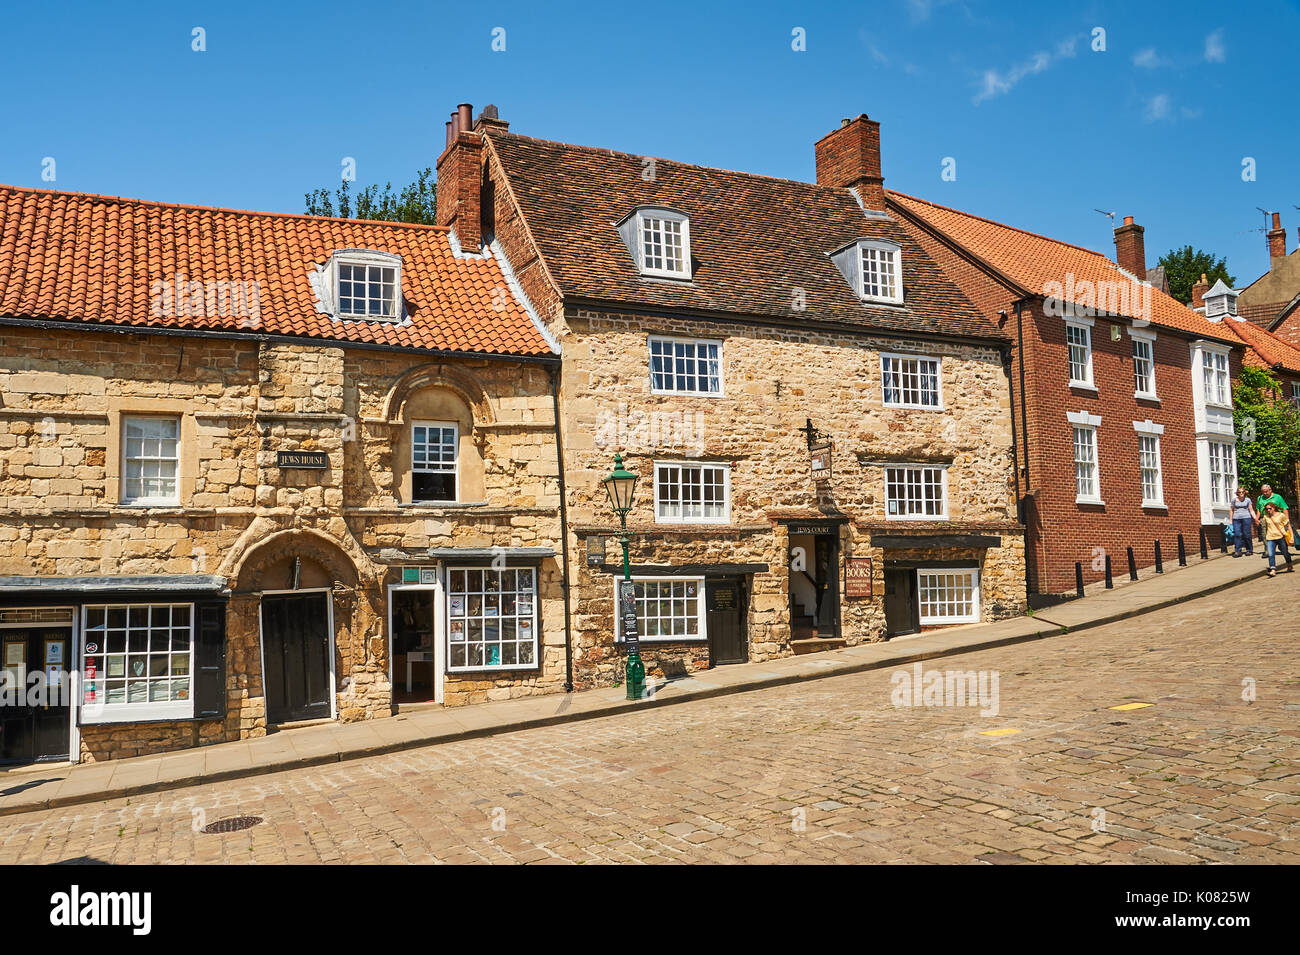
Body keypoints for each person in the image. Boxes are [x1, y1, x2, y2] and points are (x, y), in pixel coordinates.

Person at [1261, 502, 1294, 577]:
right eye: (1267, 509)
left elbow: (1288, 526)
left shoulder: (1281, 515)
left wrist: (1292, 537)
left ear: (1274, 508)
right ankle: (1273, 569)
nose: (1268, 510)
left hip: (1280, 536)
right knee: (1271, 554)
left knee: (1285, 552)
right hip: (1270, 537)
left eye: (1270, 508)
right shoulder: (1266, 516)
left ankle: (1289, 564)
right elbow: (1265, 527)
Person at [1255, 485, 1288, 558]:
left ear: (1270, 490)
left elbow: (1284, 508)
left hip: (1277, 518)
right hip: (1265, 518)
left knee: (1280, 533)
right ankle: (1268, 551)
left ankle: (1282, 548)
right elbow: (1258, 509)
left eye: (1266, 491)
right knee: (1264, 534)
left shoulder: (1277, 497)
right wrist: (1257, 518)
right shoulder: (1260, 498)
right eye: (1263, 492)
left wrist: (1286, 520)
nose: (1265, 493)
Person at [1228, 487, 1258, 557]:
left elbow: (1251, 510)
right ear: (1237, 493)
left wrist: (1255, 518)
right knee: (1237, 534)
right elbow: (1231, 510)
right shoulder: (1234, 500)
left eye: (1242, 492)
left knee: (1247, 534)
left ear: (1245, 493)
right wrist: (1230, 520)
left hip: (1246, 518)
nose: (1241, 493)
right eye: (1239, 492)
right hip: (1236, 518)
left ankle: (1249, 550)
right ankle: (1238, 551)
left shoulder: (1248, 500)